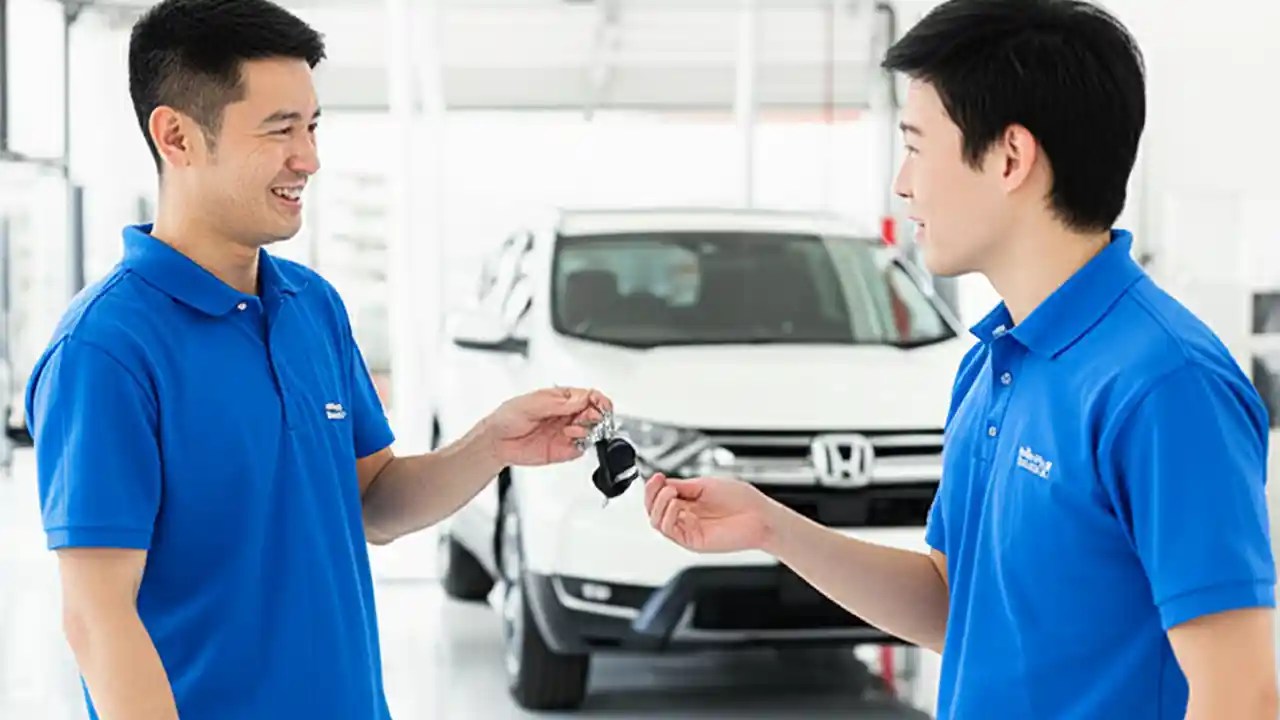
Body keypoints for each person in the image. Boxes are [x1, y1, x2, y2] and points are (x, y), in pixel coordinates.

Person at [644, 1, 1278, 718]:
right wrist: (771, 527)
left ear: (1010, 157)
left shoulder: (1166, 386)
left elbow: (1240, 697)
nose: (902, 184)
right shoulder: (994, 364)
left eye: (916, 145)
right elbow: (959, 606)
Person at [23, 1, 612, 719]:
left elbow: (373, 502)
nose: (309, 157)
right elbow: (97, 618)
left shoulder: (313, 306)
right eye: (280, 130)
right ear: (176, 136)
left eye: (311, 126)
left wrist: (494, 444)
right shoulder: (105, 350)